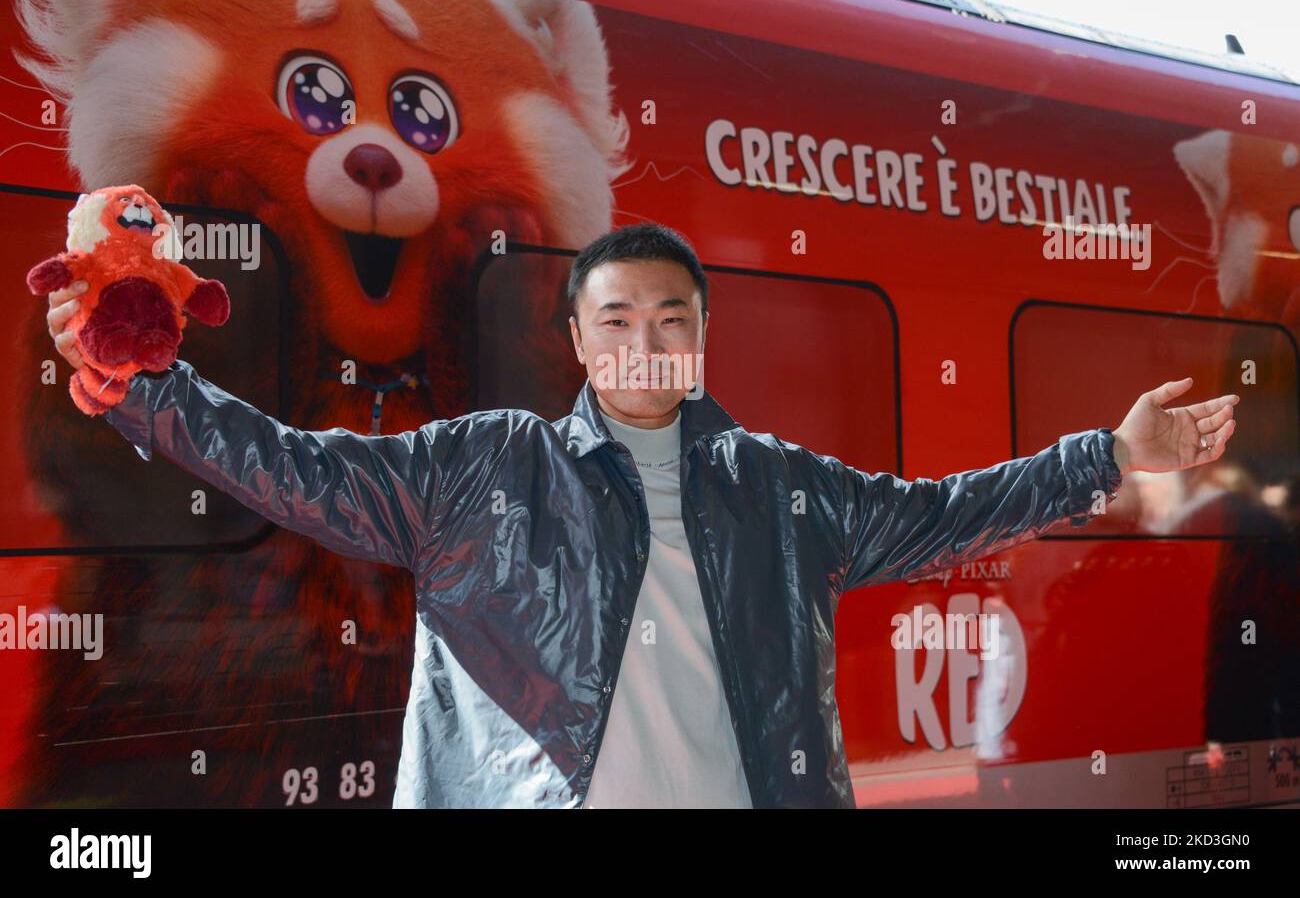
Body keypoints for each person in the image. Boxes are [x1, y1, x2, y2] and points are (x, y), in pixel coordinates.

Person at [44, 222, 1238, 808]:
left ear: (702, 336)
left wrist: (1108, 454)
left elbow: (943, 514)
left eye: (671, 319)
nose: (645, 342)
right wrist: (152, 388)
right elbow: (295, 470)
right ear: (577, 339)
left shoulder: (776, 486)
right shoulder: (488, 467)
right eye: (615, 320)